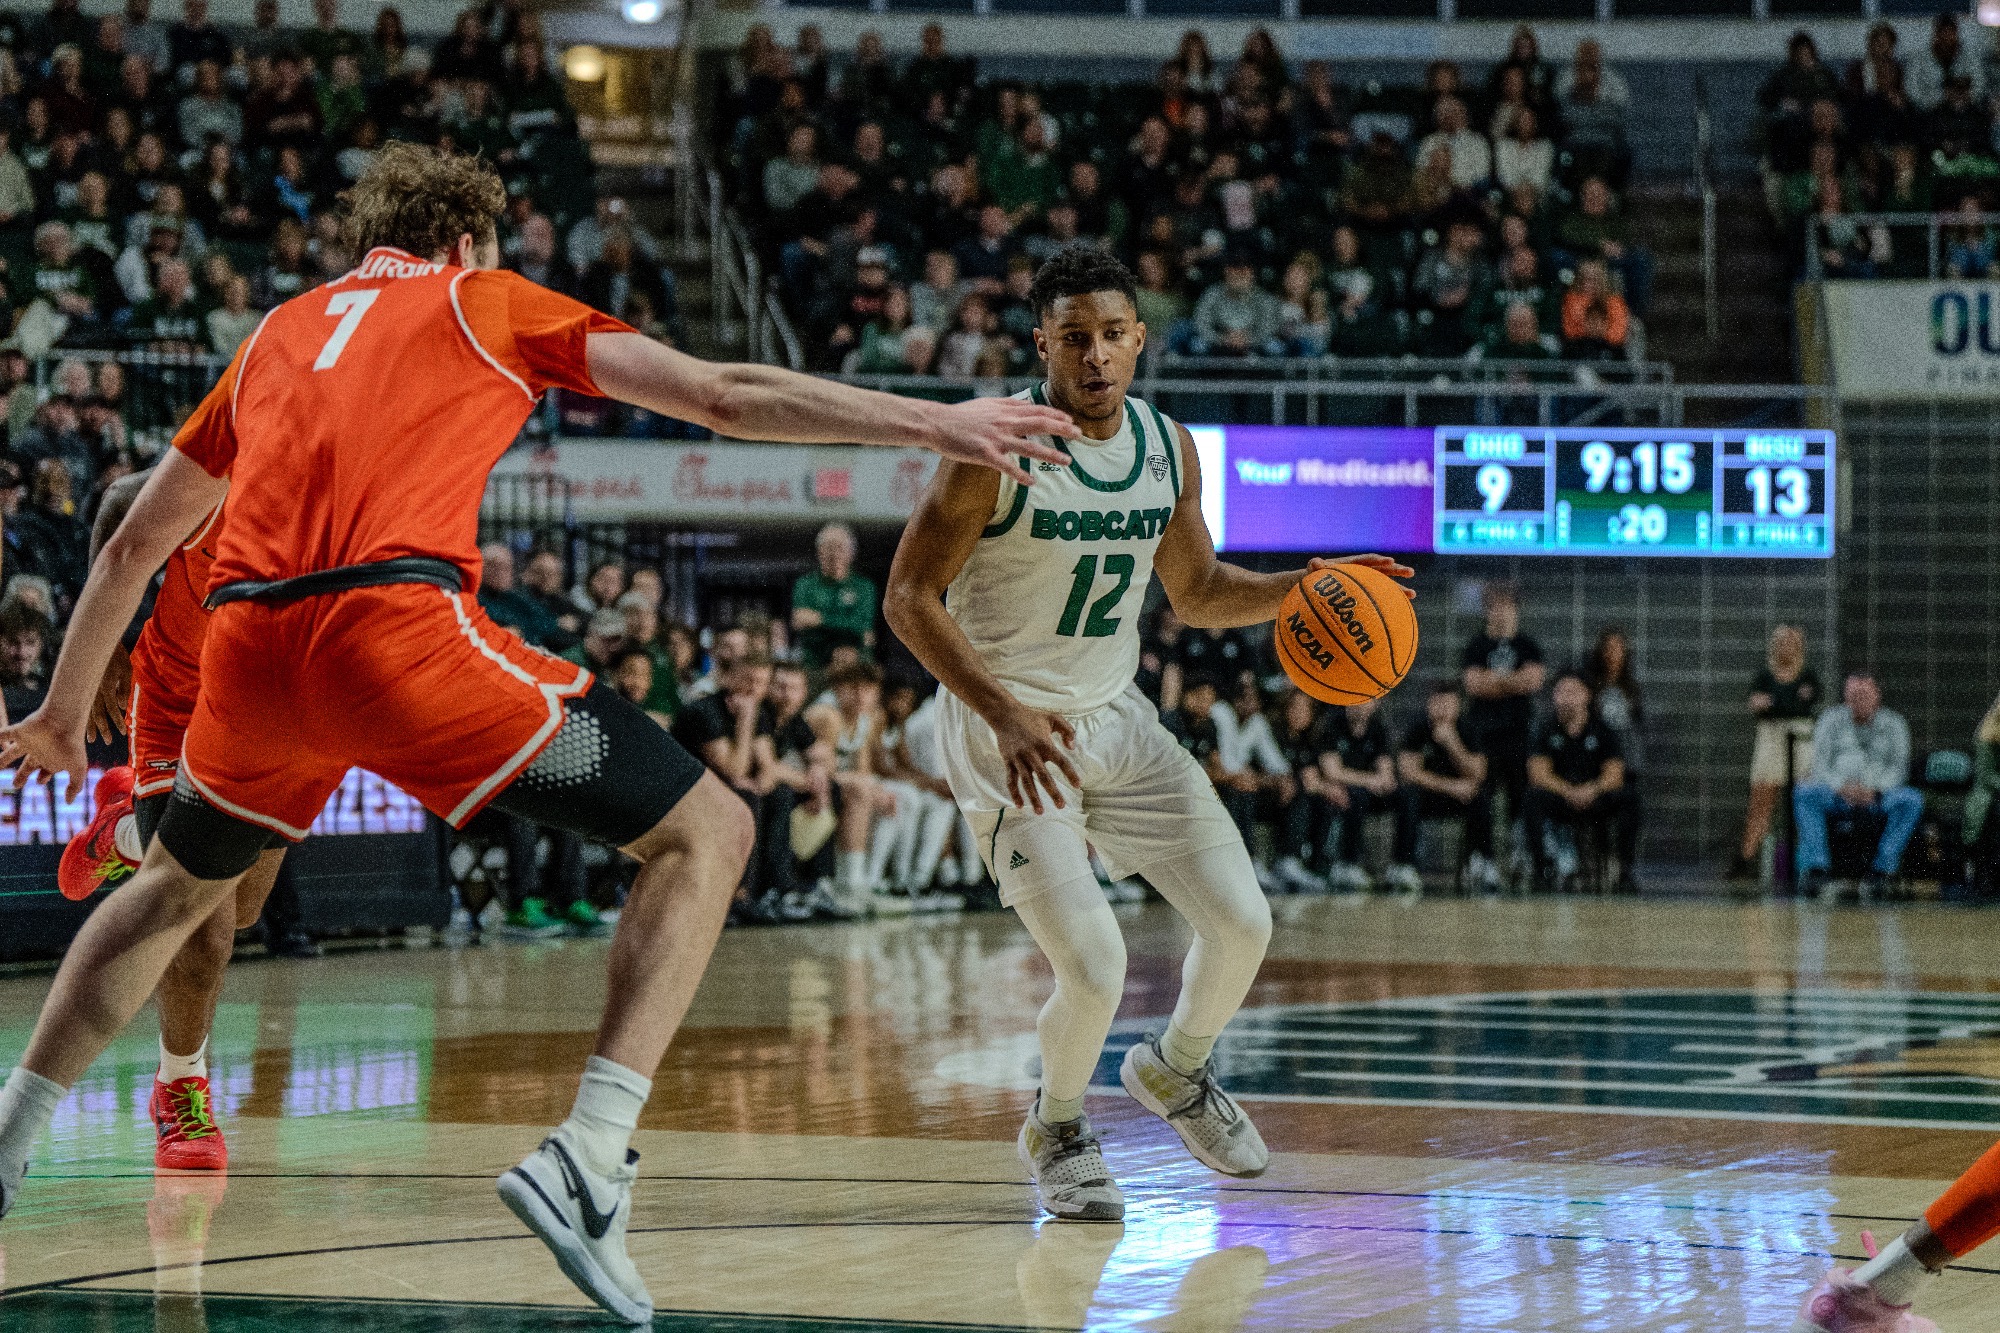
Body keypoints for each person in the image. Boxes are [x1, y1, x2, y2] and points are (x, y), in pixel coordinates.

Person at [0, 143, 1077, 1324]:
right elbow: (720, 395)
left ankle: (9, 1138)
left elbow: (126, 551)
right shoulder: (483, 298)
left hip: (247, 658)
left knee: (169, 892)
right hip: (394, 639)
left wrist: (59, 710)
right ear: (470, 240)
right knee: (708, 828)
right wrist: (936, 424)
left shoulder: (276, 330)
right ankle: (591, 1155)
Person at [883, 243, 1412, 1222]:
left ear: (1139, 341)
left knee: (1244, 922)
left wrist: (1307, 585)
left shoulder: (1167, 448)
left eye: (1112, 336)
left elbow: (1199, 590)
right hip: (1007, 729)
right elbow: (907, 598)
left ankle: (1175, 1069)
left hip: (1116, 718)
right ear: (1039, 340)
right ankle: (1058, 1125)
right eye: (1072, 337)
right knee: (1093, 964)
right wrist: (1001, 713)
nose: (1093, 356)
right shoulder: (992, 447)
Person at [53, 467, 292, 1171]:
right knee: (203, 923)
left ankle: (125, 832)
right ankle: (180, 1088)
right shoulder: (227, 466)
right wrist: (101, 643)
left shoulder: (352, 495)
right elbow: (120, 502)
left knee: (244, 906)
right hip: (177, 701)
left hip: (274, 710)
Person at [1793, 673, 1921, 897]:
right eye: (1853, 696)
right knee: (1805, 793)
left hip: (1879, 796)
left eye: (1864, 695)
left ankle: (1882, 871)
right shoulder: (1830, 720)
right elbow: (1820, 764)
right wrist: (1841, 787)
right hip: (1836, 794)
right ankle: (1817, 869)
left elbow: (1899, 768)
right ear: (1845, 697)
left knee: (1911, 800)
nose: (1859, 700)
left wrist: (1875, 790)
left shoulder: (1895, 724)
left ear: (1876, 697)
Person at [1523, 671, 1638, 893]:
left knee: (1629, 797)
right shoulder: (1544, 729)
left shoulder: (1603, 730)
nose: (1567, 697)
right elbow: (1538, 774)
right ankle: (1541, 871)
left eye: (1573, 691)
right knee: (1532, 798)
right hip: (1561, 799)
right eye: (1562, 692)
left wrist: (1591, 790)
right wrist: (1569, 791)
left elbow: (1614, 775)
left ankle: (1625, 872)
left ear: (1587, 695)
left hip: (1594, 800)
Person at [1461, 582, 1544, 860]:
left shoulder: (1528, 645)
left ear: (1516, 610)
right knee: (1482, 795)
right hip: (1483, 733)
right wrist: (1512, 680)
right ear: (1487, 610)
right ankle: (1482, 857)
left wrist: (1494, 680)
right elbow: (1473, 685)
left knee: (1519, 796)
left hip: (1518, 732)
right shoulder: (1476, 645)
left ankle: (1520, 856)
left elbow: (1533, 681)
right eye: (1495, 606)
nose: (1501, 613)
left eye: (1507, 606)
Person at [1733, 624, 1823, 880]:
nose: (1786, 646)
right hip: (1770, 739)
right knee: (1761, 802)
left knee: (1804, 800)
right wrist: (1788, 701)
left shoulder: (1808, 675)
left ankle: (1808, 863)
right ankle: (1745, 859)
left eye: (1791, 641)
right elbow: (1759, 704)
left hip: (1801, 739)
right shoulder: (1764, 675)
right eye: (1781, 641)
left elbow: (1805, 702)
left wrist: (1775, 702)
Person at [1398, 682, 1497, 893]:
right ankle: (1404, 865)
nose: (1442, 709)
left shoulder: (1469, 730)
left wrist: (1452, 743)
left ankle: (1483, 861)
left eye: (1448, 704)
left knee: (1481, 796)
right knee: (1407, 795)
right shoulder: (1418, 729)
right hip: (1429, 797)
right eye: (1438, 703)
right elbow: (1408, 772)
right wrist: (1451, 786)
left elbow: (1479, 773)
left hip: (1458, 798)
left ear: (1458, 707)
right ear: (1429, 705)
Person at [1318, 697, 1420, 895]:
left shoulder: (1377, 727)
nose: (1362, 705)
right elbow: (1333, 772)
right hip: (1340, 792)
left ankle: (1402, 865)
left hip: (1369, 791)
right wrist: (1369, 780)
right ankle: (1348, 863)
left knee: (1406, 794)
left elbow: (1386, 769)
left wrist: (1384, 780)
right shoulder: (1333, 725)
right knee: (1356, 795)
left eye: (1368, 700)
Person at [791, 521, 876, 671]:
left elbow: (863, 627)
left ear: (851, 553)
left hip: (855, 666)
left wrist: (819, 619)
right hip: (815, 665)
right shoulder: (805, 584)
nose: (834, 554)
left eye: (840, 548)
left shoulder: (864, 586)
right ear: (819, 552)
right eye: (829, 547)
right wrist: (847, 627)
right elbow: (800, 621)